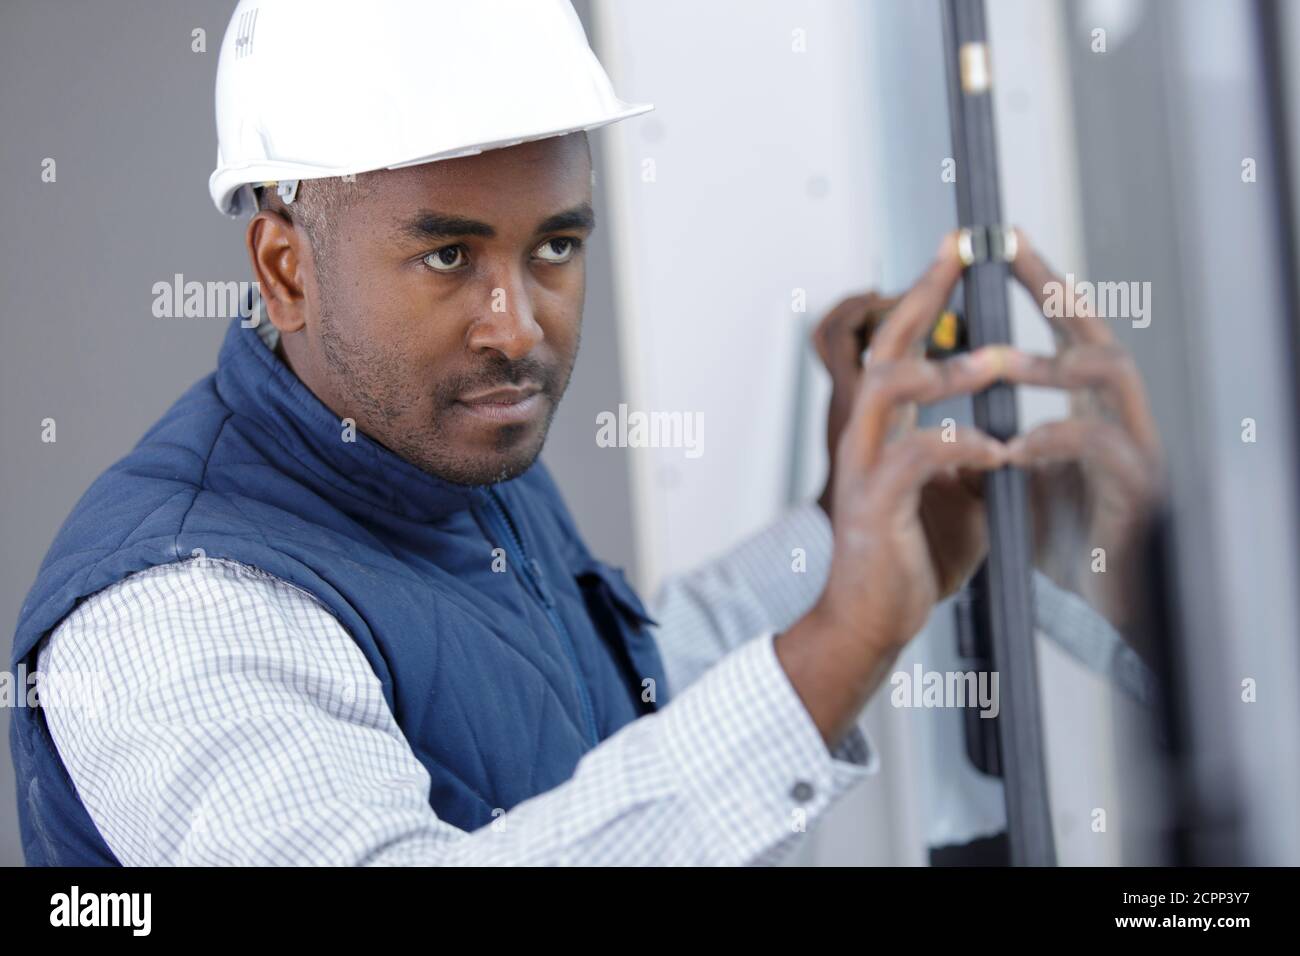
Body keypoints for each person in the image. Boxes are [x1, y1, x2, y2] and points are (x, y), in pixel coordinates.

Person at [9, 0, 1163, 866]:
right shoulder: (178, 605)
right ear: (284, 264)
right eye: (448, 255)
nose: (516, 330)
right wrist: (834, 655)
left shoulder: (436, 452)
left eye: (554, 245)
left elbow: (619, 725)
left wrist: (854, 547)